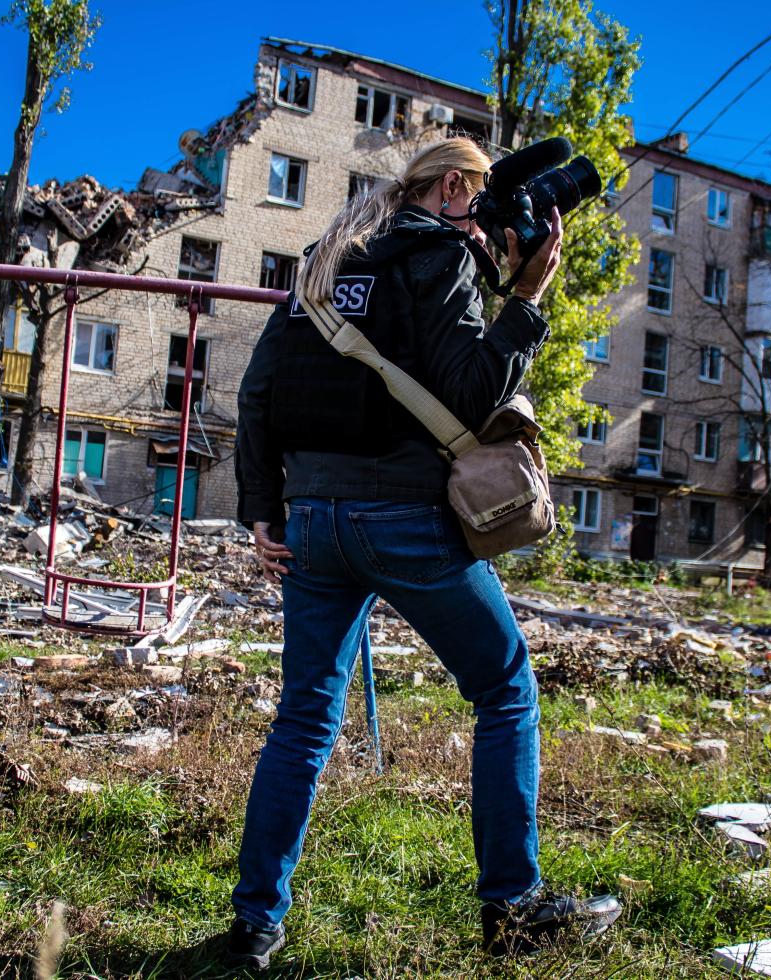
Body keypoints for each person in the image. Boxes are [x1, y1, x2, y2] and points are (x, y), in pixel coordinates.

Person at [226, 137, 620, 969]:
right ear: (450, 189)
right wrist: (528, 294)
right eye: (479, 202)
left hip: (313, 525)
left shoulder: (323, 260)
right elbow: (473, 392)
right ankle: (513, 909)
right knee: (506, 690)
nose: (487, 226)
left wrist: (263, 511)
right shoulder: (438, 258)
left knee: (304, 718)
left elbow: (256, 391)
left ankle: (255, 924)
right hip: (402, 516)